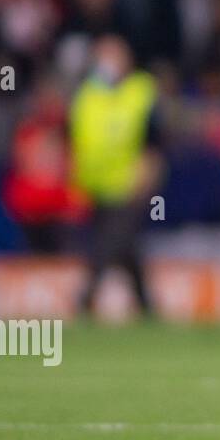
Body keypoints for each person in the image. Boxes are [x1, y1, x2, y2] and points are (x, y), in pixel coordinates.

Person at [69, 35, 162, 317]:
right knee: (125, 248)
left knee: (107, 245)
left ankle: (85, 298)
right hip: (95, 186)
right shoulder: (87, 95)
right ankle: (146, 304)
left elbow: (154, 140)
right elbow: (75, 138)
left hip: (129, 184)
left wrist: (148, 173)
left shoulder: (140, 93)